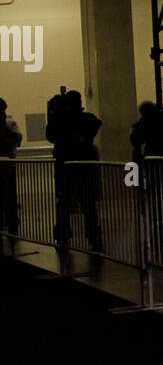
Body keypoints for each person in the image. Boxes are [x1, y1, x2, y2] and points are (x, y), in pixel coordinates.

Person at [45, 88, 102, 249]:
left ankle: (63, 233)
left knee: (63, 200)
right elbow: (95, 125)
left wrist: (56, 113)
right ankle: (92, 235)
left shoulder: (59, 121)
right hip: (85, 165)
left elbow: (51, 136)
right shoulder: (87, 119)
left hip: (65, 165)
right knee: (88, 202)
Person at [0, 98, 22, 238]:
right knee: (9, 194)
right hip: (7, 163)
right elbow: (16, 138)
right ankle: (11, 221)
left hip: (5, 163)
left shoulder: (6, 123)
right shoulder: (9, 123)